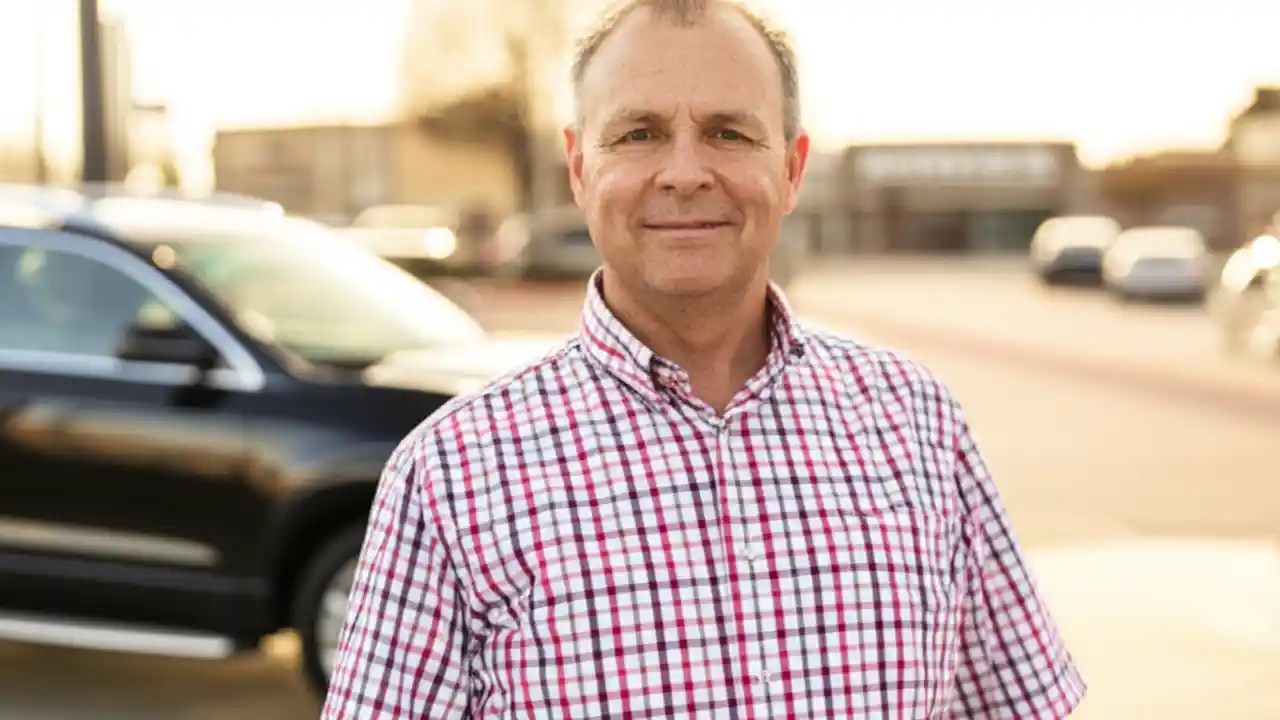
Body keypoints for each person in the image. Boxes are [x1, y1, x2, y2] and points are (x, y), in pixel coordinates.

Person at [322, 1, 1086, 717]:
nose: (685, 172)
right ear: (579, 169)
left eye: (728, 132)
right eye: (638, 133)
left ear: (792, 169)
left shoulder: (917, 423)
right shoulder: (452, 475)